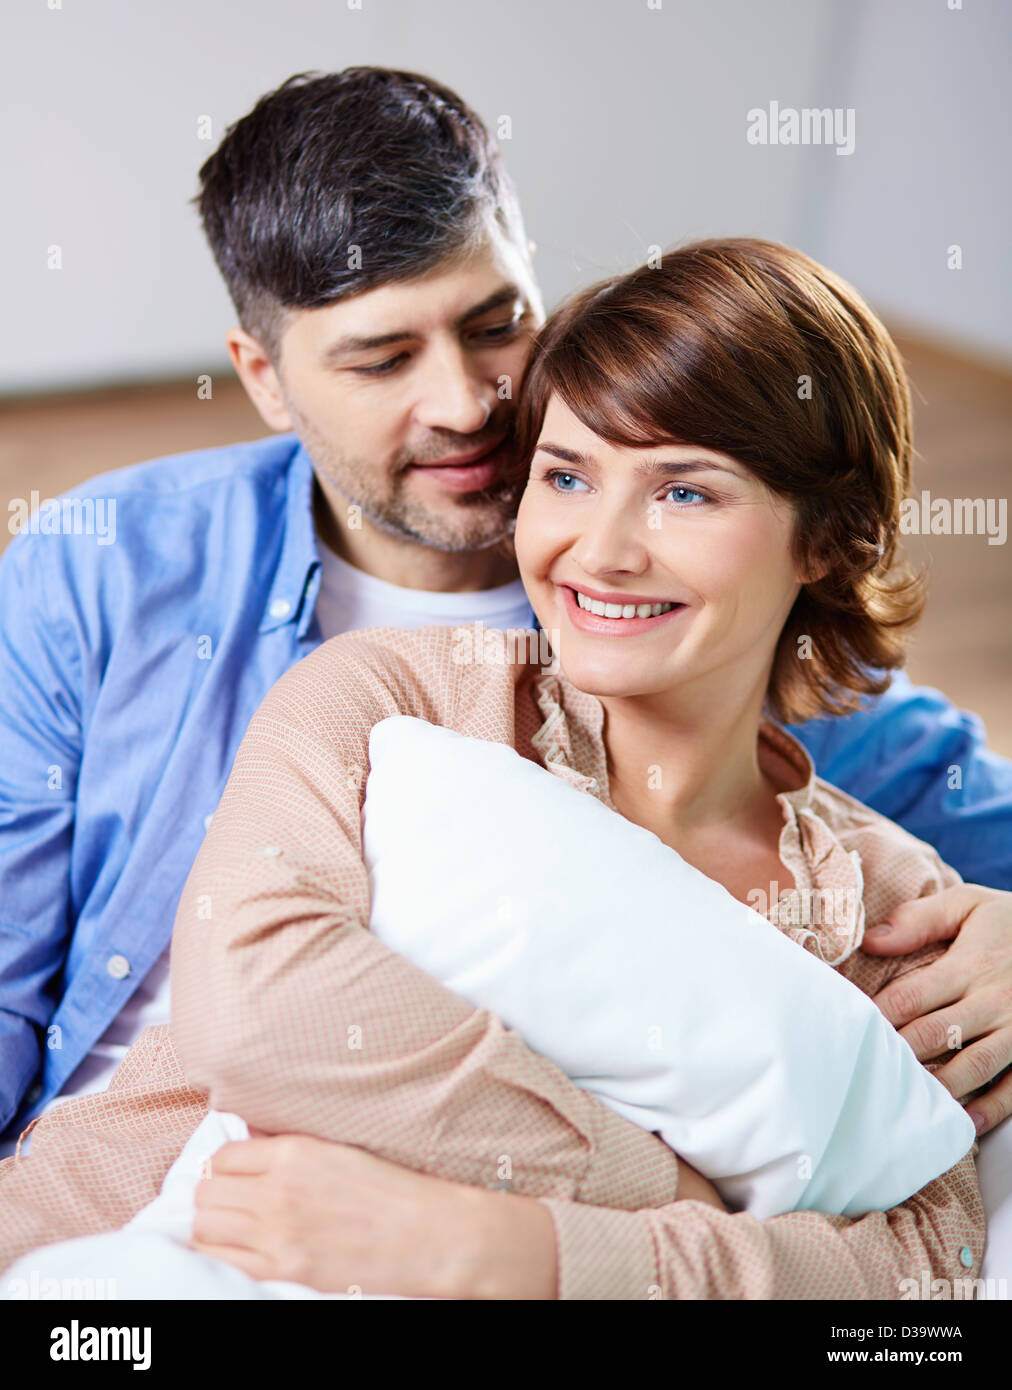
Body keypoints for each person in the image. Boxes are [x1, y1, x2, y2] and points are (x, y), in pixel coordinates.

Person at [0, 67, 1010, 1162]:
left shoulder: (698, 623)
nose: (467, 401)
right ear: (265, 378)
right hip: (105, 1160)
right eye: (382, 359)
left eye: (497, 325)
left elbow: (960, 802)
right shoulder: (105, 566)